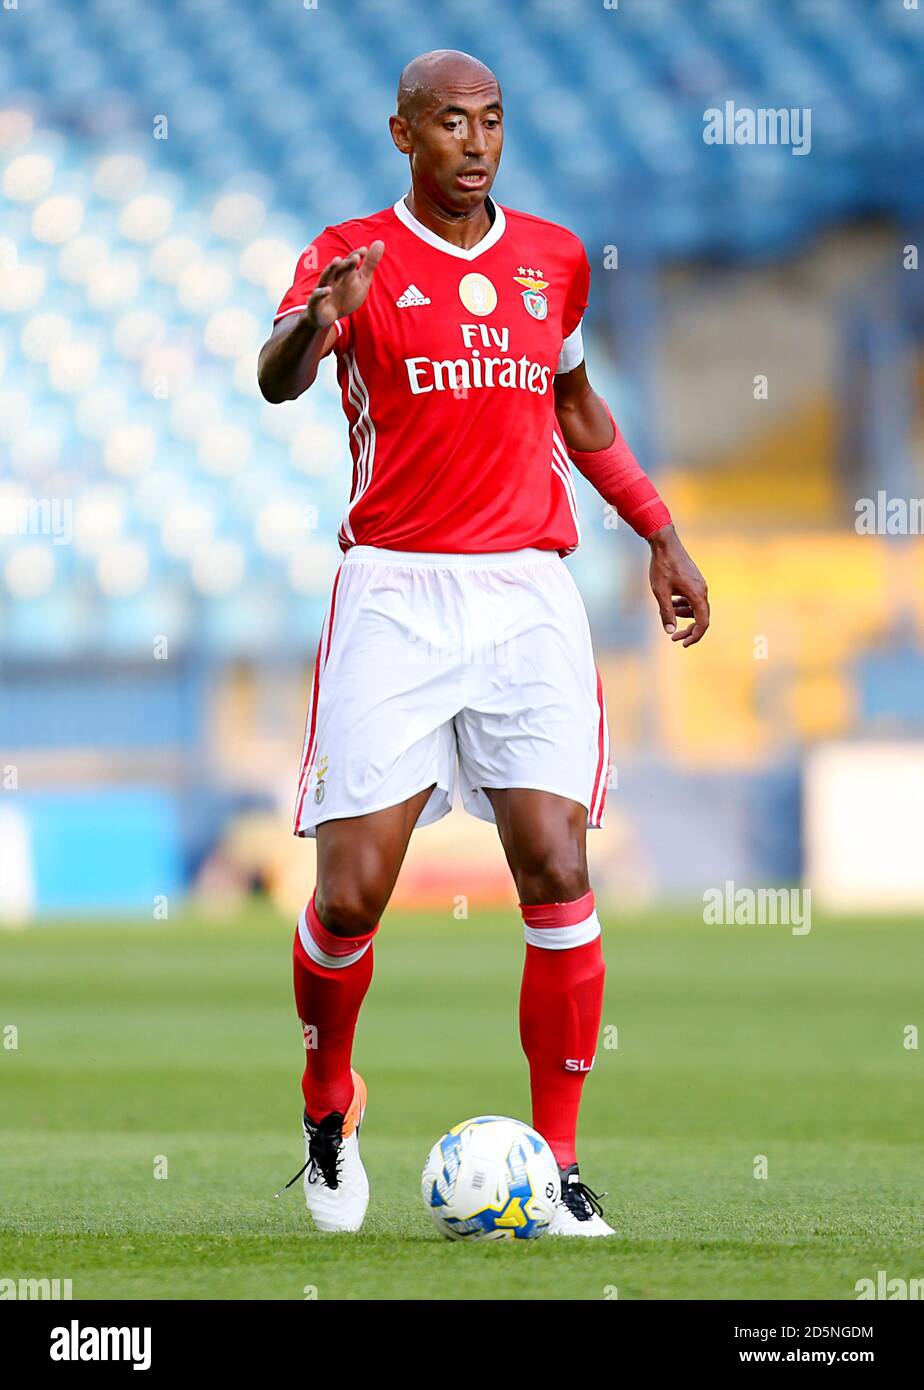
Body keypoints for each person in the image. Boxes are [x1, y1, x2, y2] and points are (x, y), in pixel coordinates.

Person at [258, 49, 709, 1236]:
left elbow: (573, 404)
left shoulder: (554, 260)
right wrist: (319, 322)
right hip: (396, 593)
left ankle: (557, 1167)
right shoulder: (348, 254)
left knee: (557, 864)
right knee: (352, 896)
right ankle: (327, 1105)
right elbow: (275, 381)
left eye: (493, 121)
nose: (476, 141)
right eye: (450, 123)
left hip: (526, 592)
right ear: (402, 134)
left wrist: (658, 531)